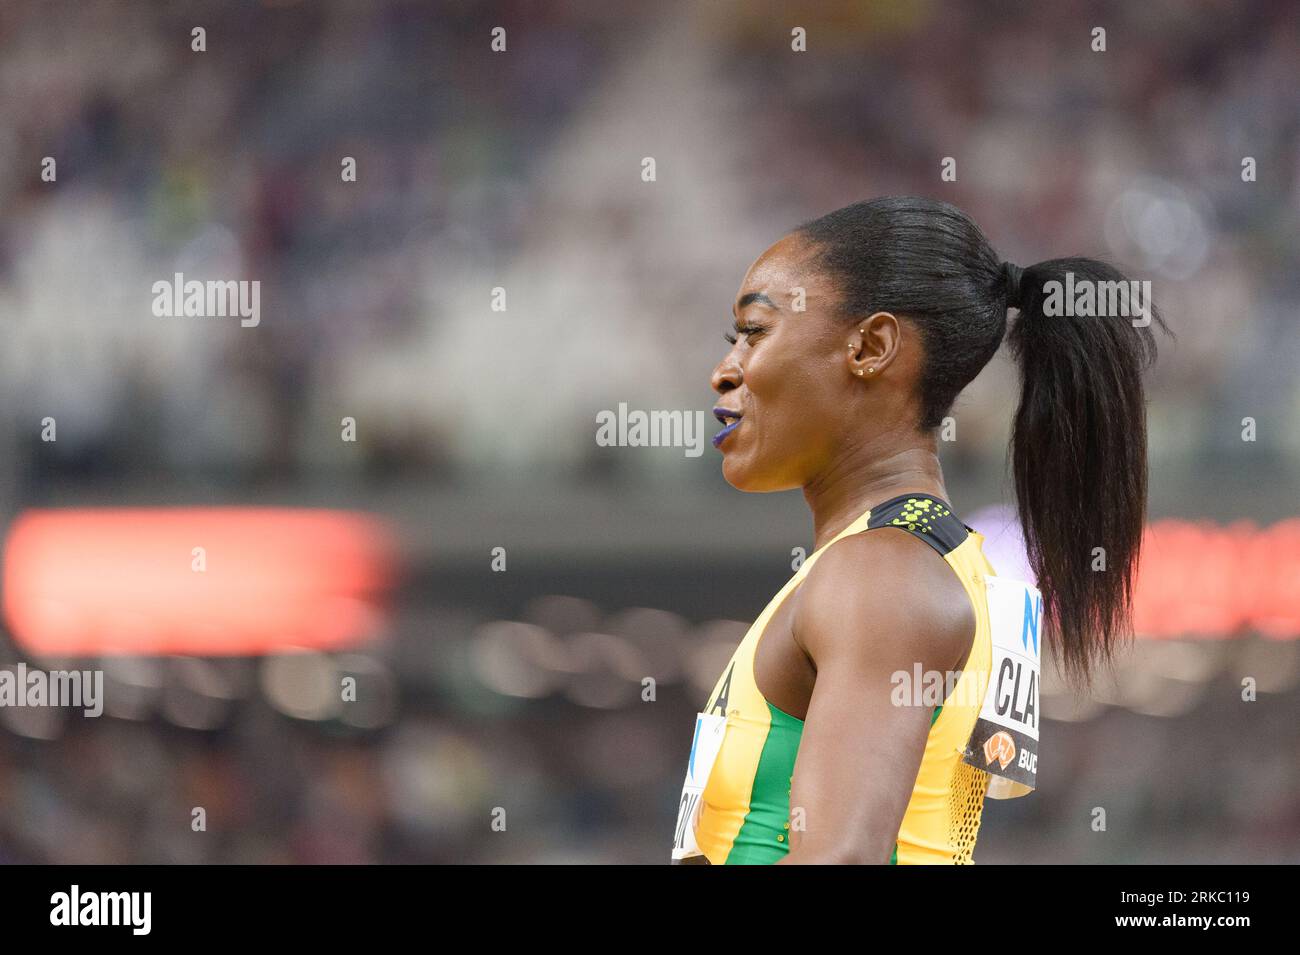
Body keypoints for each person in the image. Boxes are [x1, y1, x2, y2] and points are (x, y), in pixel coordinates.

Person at [676, 196, 1164, 864]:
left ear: (872, 347)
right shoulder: (924, 563)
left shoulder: (882, 575)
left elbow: (841, 860)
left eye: (754, 331)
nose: (725, 369)